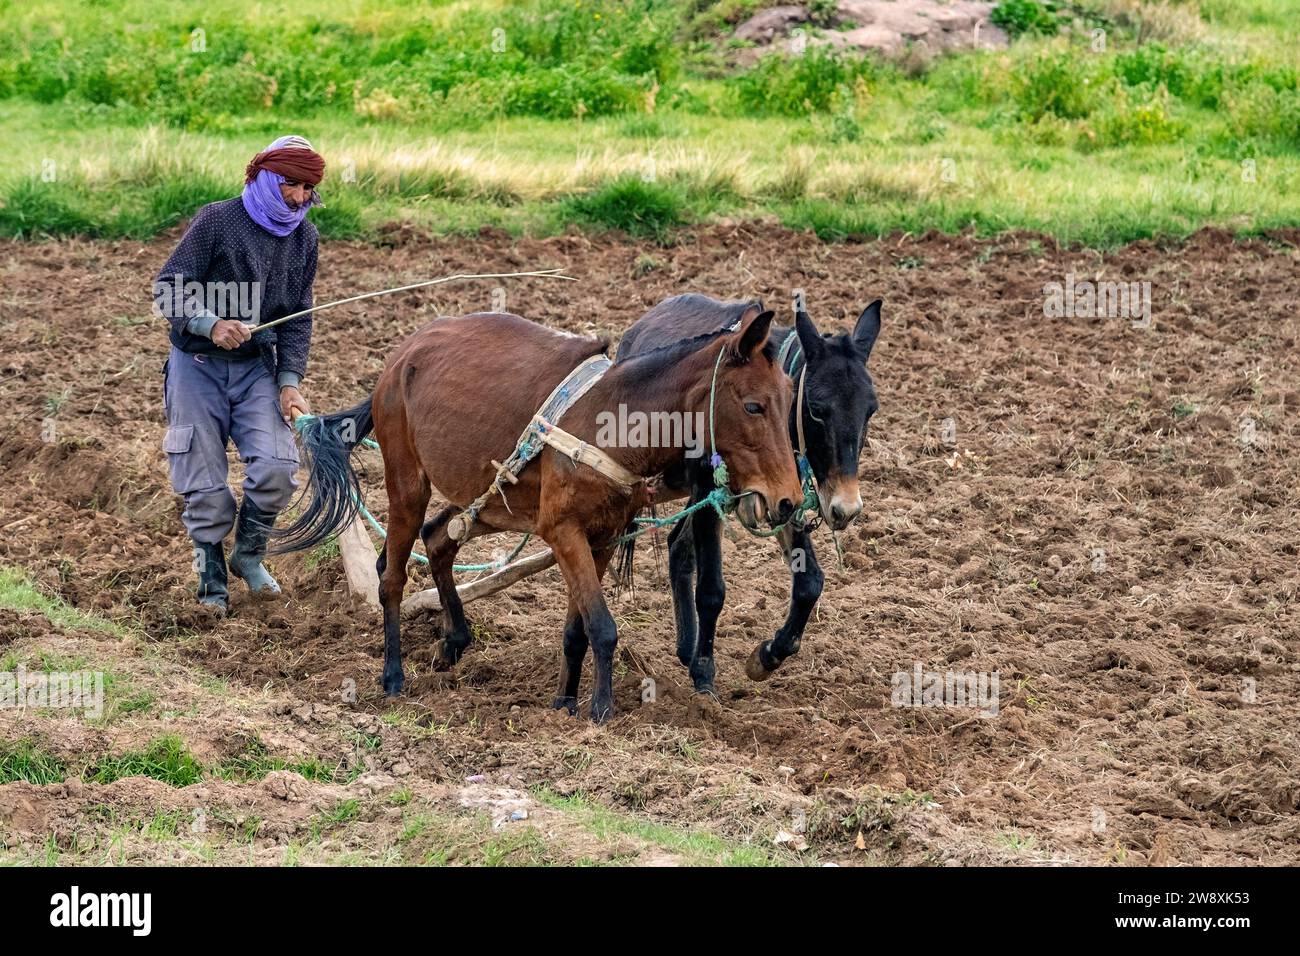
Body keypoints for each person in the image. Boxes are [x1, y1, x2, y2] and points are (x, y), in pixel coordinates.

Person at [154, 134, 325, 616]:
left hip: (257, 370)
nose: (298, 198)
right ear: (265, 177)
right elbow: (168, 289)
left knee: (276, 468)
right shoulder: (217, 219)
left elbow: (299, 314)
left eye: (308, 188)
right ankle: (209, 567)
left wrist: (290, 381)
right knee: (204, 481)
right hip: (197, 366)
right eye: (290, 184)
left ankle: (247, 554)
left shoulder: (304, 237)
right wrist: (211, 324)